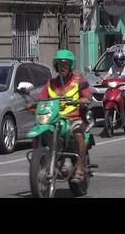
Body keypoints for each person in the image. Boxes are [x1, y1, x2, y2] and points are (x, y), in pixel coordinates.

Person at [38, 49, 93, 181]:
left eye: (65, 64)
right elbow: (42, 100)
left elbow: (88, 97)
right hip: (53, 119)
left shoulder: (78, 80)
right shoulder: (50, 83)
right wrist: (33, 106)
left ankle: (80, 168)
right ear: (56, 66)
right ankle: (45, 163)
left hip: (74, 118)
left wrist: (82, 101)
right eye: (60, 64)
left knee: (79, 134)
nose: (62, 67)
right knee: (40, 132)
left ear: (70, 66)